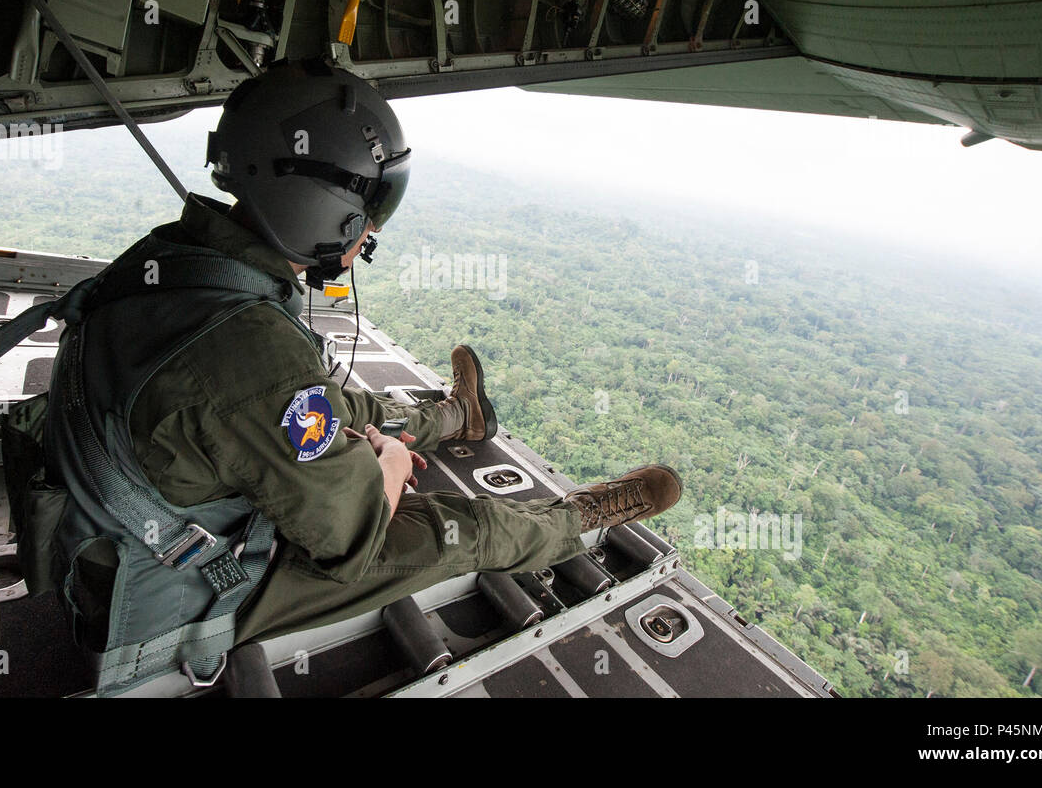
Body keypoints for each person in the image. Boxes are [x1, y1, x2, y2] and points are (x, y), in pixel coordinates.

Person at [95, 57, 686, 650]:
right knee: (458, 527)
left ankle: (459, 416)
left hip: (133, 524)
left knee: (352, 411)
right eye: (374, 201)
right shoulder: (254, 356)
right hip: (174, 593)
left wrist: (364, 445)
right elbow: (352, 534)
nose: (371, 227)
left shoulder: (169, 258)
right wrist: (391, 469)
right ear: (320, 203)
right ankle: (577, 519)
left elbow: (258, 411)